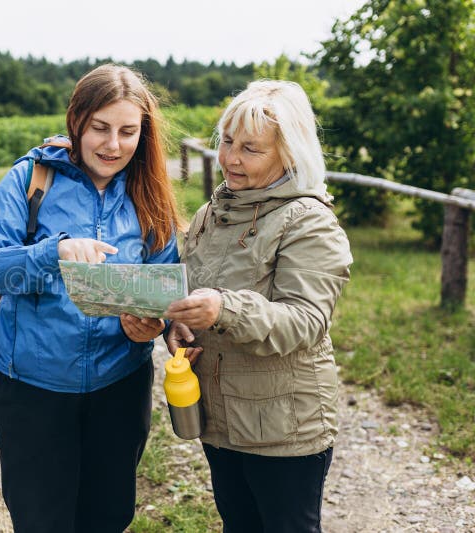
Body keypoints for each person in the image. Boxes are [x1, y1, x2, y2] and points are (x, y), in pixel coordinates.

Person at [0, 64, 183, 533]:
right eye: (100, 128)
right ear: (77, 122)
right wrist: (53, 251)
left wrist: (150, 323)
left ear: (143, 134)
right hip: (33, 390)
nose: (113, 145)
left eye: (128, 132)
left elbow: (162, 286)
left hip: (119, 388)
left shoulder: (151, 194)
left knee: (107, 517)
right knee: (41, 520)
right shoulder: (32, 179)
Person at [164, 80, 353, 533]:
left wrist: (223, 310)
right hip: (223, 419)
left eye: (251, 149)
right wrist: (179, 326)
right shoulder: (214, 212)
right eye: (227, 142)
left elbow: (305, 321)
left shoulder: (309, 222)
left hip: (286, 428)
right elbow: (196, 292)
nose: (230, 158)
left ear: (289, 155)